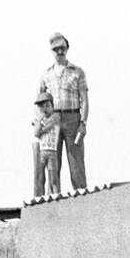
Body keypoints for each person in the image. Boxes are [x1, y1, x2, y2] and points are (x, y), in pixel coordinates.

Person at [37, 32, 89, 191]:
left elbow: (85, 99)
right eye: (56, 49)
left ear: (67, 49)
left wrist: (83, 123)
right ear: (51, 51)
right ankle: (54, 201)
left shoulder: (77, 71)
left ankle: (81, 197)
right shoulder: (46, 74)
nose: (60, 52)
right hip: (53, 120)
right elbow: (38, 100)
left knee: (76, 162)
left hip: (73, 117)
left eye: (62, 48)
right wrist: (42, 122)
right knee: (53, 163)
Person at [32, 92, 61, 197]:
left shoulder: (55, 117)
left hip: (52, 151)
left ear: (52, 106)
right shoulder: (40, 120)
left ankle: (56, 196)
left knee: (53, 177)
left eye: (48, 105)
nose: (45, 109)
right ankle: (39, 197)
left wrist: (39, 125)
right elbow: (36, 133)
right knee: (40, 177)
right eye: (42, 106)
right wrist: (39, 120)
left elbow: (43, 129)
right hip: (42, 151)